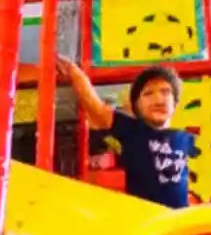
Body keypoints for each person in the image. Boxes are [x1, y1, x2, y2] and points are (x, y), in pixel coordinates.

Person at [57, 56, 194, 209]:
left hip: (178, 222)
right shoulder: (132, 129)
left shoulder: (184, 138)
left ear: (175, 103)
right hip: (146, 221)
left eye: (166, 92)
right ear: (137, 106)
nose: (158, 100)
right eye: (148, 94)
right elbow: (98, 110)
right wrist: (75, 73)